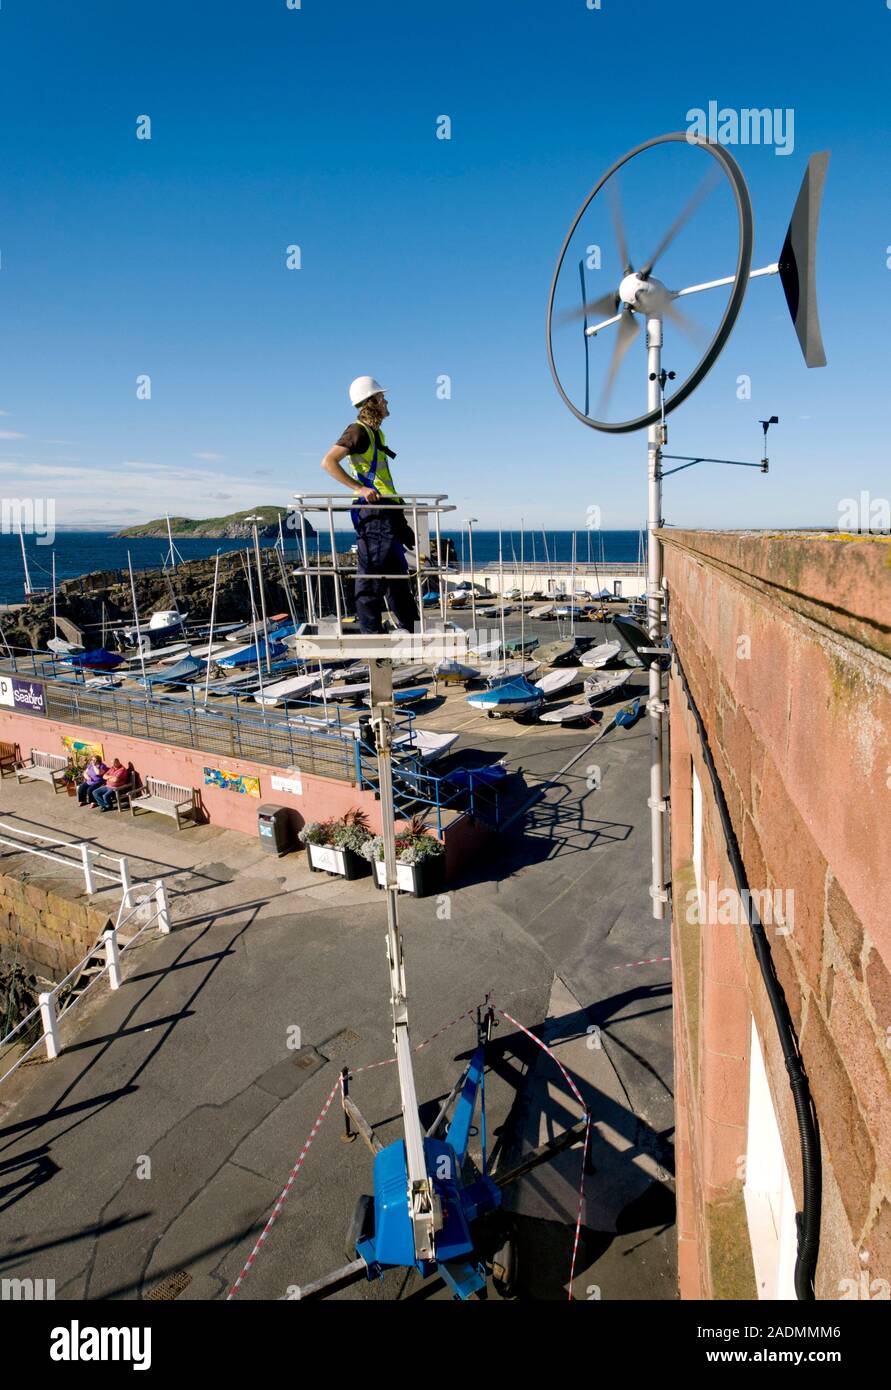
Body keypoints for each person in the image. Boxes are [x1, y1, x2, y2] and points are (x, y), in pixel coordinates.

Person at [320, 376, 419, 635]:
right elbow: (328, 462)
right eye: (382, 397)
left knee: (397, 574)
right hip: (374, 513)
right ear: (371, 402)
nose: (386, 401)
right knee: (372, 574)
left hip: (388, 511)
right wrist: (359, 488)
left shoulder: (374, 432)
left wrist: (401, 521)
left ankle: (412, 627)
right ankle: (372, 632)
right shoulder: (357, 430)